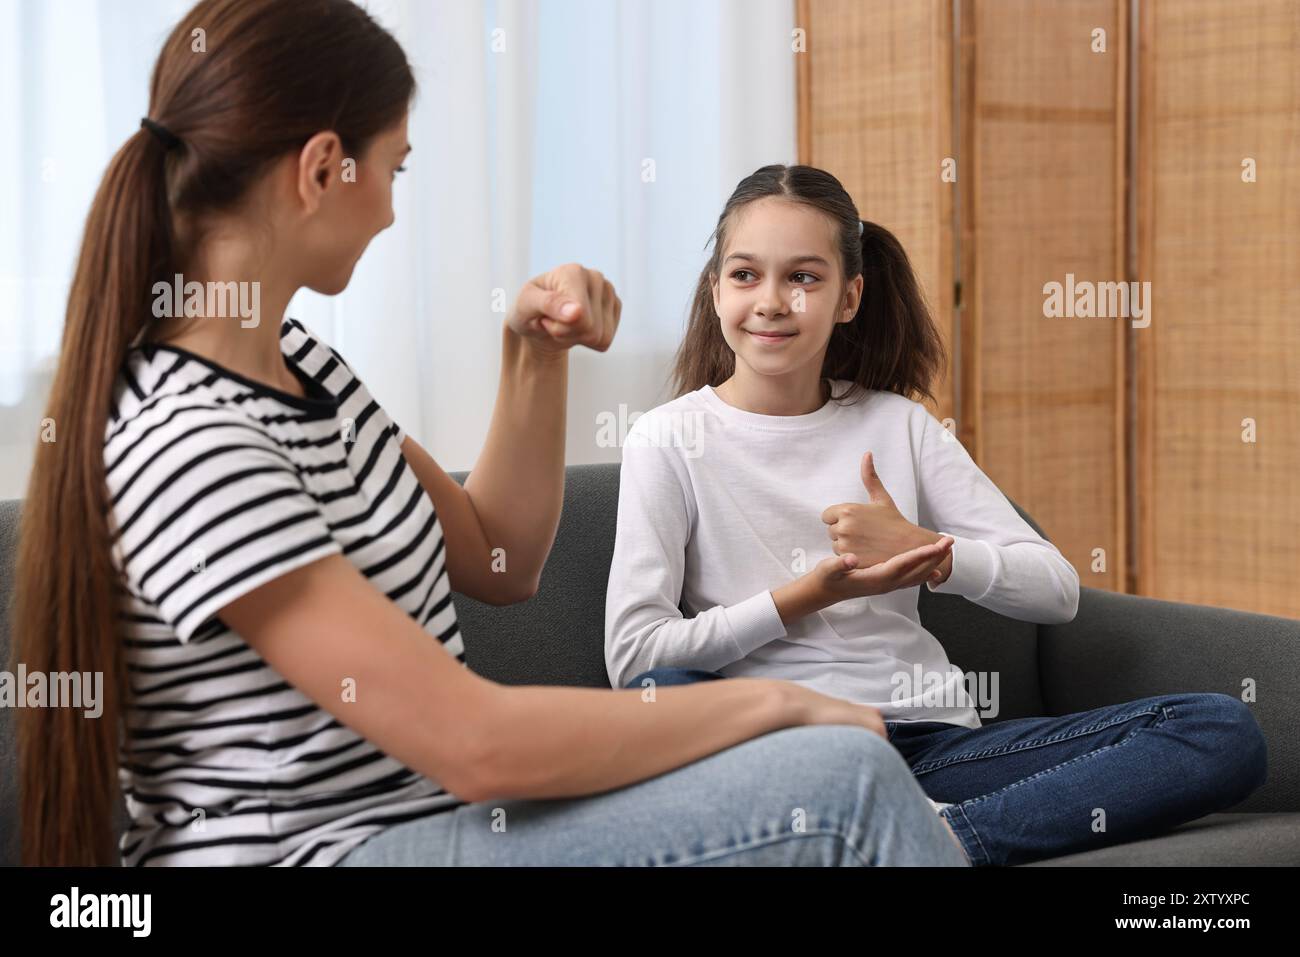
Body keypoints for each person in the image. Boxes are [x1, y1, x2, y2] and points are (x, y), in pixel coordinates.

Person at [12, 0, 965, 868]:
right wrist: (781, 704)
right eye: (395, 168)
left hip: (422, 829)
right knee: (844, 787)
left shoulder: (304, 370)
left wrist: (534, 356)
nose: (390, 206)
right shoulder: (194, 438)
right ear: (319, 169)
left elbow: (498, 555)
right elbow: (476, 742)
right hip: (320, 855)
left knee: (840, 782)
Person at [604, 163, 1269, 866]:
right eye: (745, 275)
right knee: (659, 695)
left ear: (849, 296)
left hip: (931, 744)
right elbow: (635, 657)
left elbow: (1057, 588)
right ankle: (896, 826)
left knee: (1218, 729)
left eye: (804, 277)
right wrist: (807, 595)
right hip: (782, 747)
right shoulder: (669, 438)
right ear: (715, 290)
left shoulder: (900, 427)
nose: (771, 300)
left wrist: (934, 550)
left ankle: (940, 837)